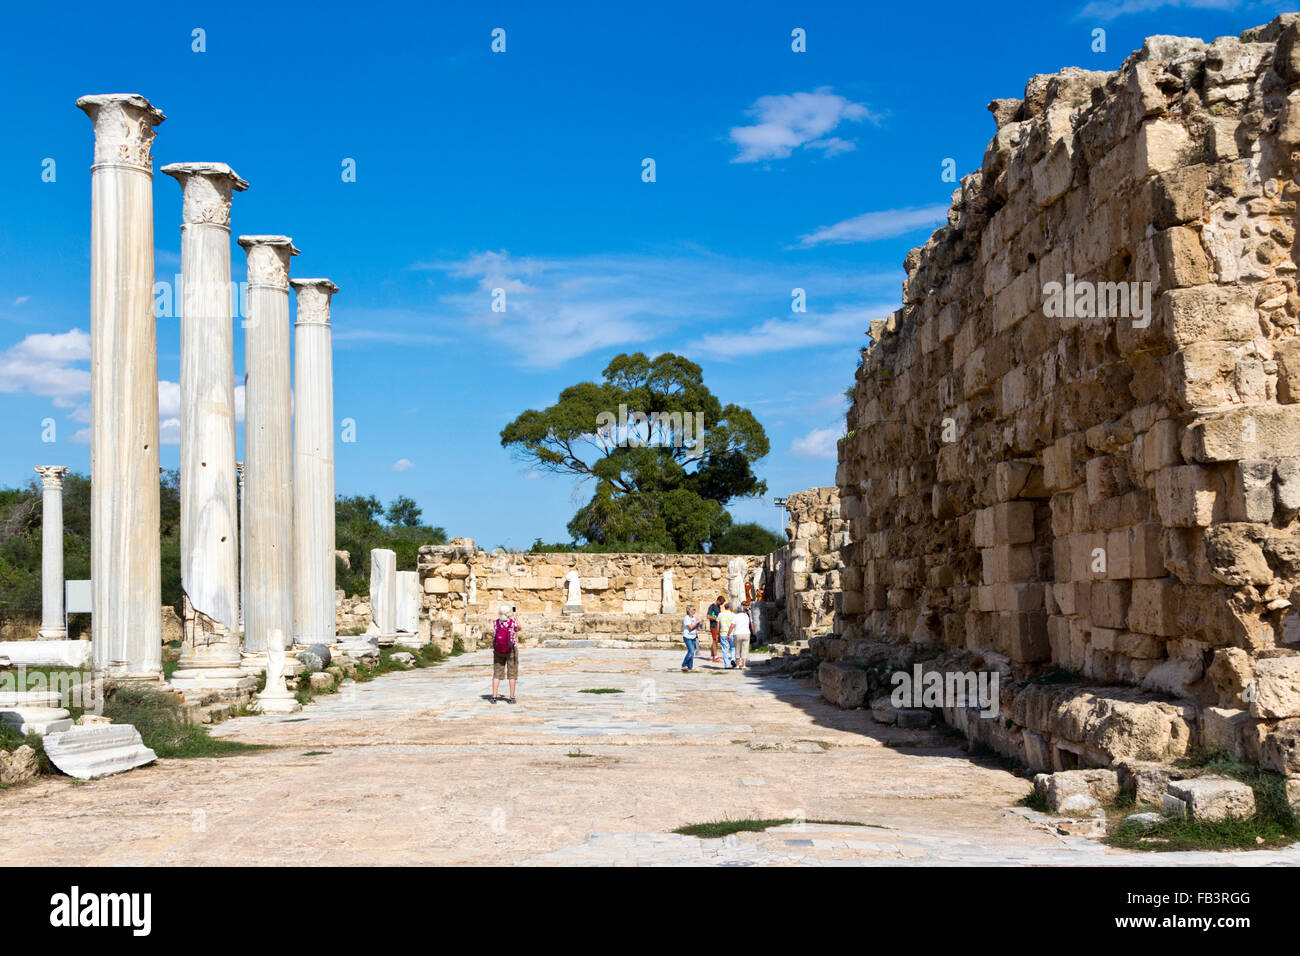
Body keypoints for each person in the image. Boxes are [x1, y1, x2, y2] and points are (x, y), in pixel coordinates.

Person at [490, 603, 520, 703]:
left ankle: (494, 697)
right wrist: (515, 618)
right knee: (512, 673)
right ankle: (511, 698)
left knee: (496, 673)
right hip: (511, 649)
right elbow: (518, 628)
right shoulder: (512, 623)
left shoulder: (496, 623)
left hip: (498, 650)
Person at [729, 600, 753, 668]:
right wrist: (752, 632)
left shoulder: (735, 616)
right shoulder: (747, 616)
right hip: (746, 633)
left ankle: (737, 665)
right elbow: (750, 624)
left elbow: (732, 626)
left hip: (737, 633)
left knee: (737, 649)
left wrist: (728, 634)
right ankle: (744, 665)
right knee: (745, 649)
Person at [681, 605, 702, 671]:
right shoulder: (686, 618)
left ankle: (690, 666)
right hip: (687, 637)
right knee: (691, 651)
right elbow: (690, 627)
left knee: (692, 653)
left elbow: (695, 627)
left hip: (693, 636)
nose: (694, 611)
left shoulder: (693, 618)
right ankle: (684, 665)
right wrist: (697, 622)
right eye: (693, 610)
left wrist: (699, 625)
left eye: (694, 610)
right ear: (689, 611)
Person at [717, 600, 736, 668]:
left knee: (725, 649)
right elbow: (734, 625)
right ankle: (733, 659)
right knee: (733, 647)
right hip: (732, 634)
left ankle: (727, 665)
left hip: (723, 634)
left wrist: (717, 634)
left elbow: (718, 625)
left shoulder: (720, 614)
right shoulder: (733, 615)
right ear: (730, 607)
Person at [707, 595, 724, 662]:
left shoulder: (718, 607)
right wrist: (717, 619)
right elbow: (708, 616)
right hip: (713, 626)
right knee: (715, 640)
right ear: (718, 600)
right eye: (721, 603)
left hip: (717, 626)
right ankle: (716, 657)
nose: (721, 604)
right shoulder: (712, 607)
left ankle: (712, 656)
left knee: (715, 641)